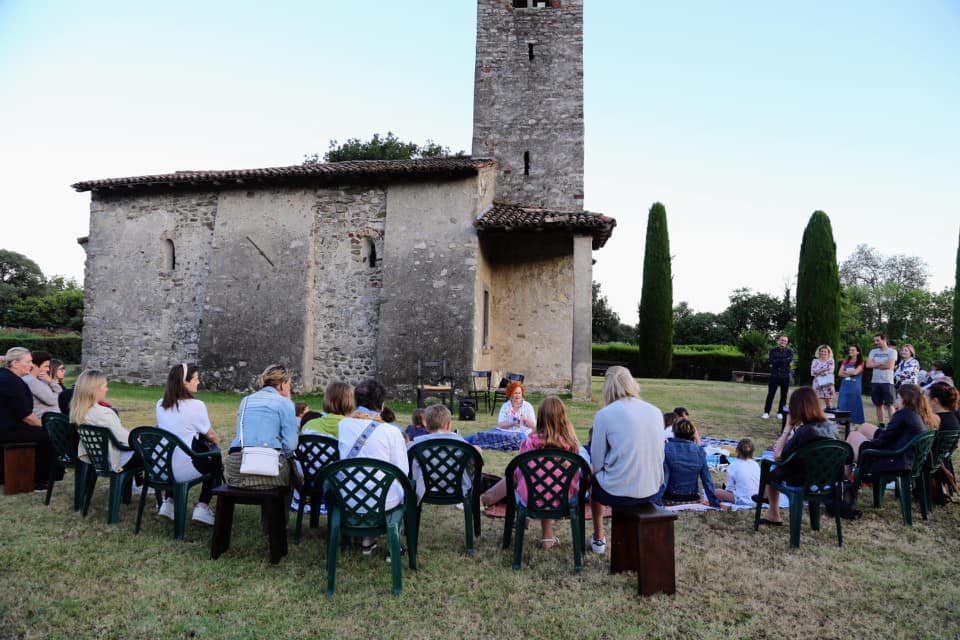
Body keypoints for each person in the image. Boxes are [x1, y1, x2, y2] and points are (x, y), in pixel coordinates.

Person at [588, 366, 664, 555]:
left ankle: (599, 537)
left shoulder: (604, 415)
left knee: (593, 483)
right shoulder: (655, 411)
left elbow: (596, 464)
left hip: (618, 490)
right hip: (652, 486)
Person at [337, 378, 409, 557]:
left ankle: (367, 540)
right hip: (382, 501)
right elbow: (402, 471)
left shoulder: (343, 425)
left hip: (348, 498)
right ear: (382, 405)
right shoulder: (392, 432)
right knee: (396, 486)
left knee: (366, 481)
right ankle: (393, 545)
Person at [759, 387, 838, 525]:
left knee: (771, 473)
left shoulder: (803, 432)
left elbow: (777, 455)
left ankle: (774, 514)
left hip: (802, 483)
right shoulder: (831, 428)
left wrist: (787, 429)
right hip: (827, 483)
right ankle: (814, 523)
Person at [155, 363, 221, 526]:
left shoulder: (160, 404)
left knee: (175, 450)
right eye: (196, 379)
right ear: (184, 382)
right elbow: (210, 434)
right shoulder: (196, 406)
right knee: (216, 461)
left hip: (160, 466)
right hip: (182, 469)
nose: (198, 382)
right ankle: (202, 506)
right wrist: (216, 442)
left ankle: (168, 502)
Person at [224, 364, 299, 490]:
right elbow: (291, 445)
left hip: (236, 470)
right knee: (292, 472)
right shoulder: (285, 403)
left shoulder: (246, 400)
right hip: (268, 471)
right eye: (289, 384)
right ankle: (282, 508)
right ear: (282, 384)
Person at [0, 347, 60, 489]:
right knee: (48, 435)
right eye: (28, 362)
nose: (31, 365)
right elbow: (27, 417)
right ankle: (40, 480)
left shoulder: (4, 376)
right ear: (15, 363)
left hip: (6, 427)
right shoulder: (13, 382)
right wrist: (45, 427)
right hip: (7, 430)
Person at [409, 404, 479, 509]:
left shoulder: (416, 444)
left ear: (426, 426)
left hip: (424, 489)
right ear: (448, 425)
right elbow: (474, 463)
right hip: (458, 488)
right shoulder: (462, 444)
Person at [846, 383, 933, 468]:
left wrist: (867, 442)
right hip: (905, 456)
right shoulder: (920, 415)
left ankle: (845, 476)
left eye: (898, 398)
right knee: (864, 426)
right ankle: (851, 471)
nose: (896, 401)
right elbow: (893, 434)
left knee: (853, 435)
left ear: (905, 400)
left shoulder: (903, 414)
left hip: (893, 460)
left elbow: (882, 442)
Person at [71, 369, 140, 473]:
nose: (107, 389)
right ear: (94, 389)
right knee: (154, 449)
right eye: (105, 386)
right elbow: (127, 441)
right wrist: (138, 437)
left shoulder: (80, 412)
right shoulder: (103, 413)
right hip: (116, 460)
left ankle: (135, 484)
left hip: (97, 458)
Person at [659, 417, 721, 508]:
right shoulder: (700, 451)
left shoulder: (666, 448)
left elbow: (664, 480)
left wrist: (655, 501)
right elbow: (707, 481)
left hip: (670, 498)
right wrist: (714, 503)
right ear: (692, 433)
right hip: (692, 498)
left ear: (674, 432)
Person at [463, 380, 536, 450]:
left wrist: (526, 419)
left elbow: (534, 426)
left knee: (520, 439)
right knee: (484, 435)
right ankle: (459, 440)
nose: (517, 395)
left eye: (519, 393)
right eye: (515, 393)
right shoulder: (505, 406)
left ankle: (485, 443)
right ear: (510, 394)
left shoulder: (527, 406)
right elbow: (500, 424)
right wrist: (513, 423)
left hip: (520, 434)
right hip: (502, 432)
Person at [714, 438, 761, 508]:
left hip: (743, 500)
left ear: (737, 450)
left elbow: (729, 489)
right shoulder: (756, 465)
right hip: (758, 499)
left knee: (714, 492)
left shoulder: (733, 466)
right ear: (753, 452)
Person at [865, 333, 898, 426]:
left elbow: (890, 366)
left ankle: (893, 425)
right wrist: (882, 363)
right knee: (878, 404)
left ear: (884, 340)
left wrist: (875, 364)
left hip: (887, 381)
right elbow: (868, 365)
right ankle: (881, 424)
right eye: (875, 340)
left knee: (890, 404)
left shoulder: (892, 352)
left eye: (877, 340)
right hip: (875, 381)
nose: (876, 342)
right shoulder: (873, 351)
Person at [22, 350, 62, 418]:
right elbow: (52, 400)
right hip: (44, 421)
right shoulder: (30, 381)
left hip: (53, 418)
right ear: (34, 366)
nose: (48, 370)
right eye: (45, 366)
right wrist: (56, 394)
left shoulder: (43, 379)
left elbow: (60, 392)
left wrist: (50, 381)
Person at [762, 335, 794, 420]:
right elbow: (772, 361)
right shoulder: (773, 351)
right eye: (782, 340)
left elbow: (789, 360)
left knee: (784, 396)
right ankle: (766, 412)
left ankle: (780, 412)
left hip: (785, 376)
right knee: (770, 395)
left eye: (785, 341)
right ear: (779, 341)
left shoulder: (790, 351)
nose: (783, 342)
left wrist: (778, 361)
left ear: (787, 343)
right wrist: (783, 360)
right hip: (774, 376)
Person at [836, 345, 866, 425]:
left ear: (858, 352)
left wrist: (845, 373)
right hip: (845, 385)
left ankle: (853, 423)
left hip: (855, 386)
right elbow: (839, 373)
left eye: (853, 350)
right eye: (850, 350)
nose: (850, 352)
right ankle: (841, 422)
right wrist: (850, 373)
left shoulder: (861, 362)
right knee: (842, 403)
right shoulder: (845, 361)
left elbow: (856, 372)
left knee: (854, 403)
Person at [810, 345, 836, 409]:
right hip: (817, 382)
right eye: (821, 351)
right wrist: (824, 369)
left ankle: (829, 413)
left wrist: (819, 371)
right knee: (815, 400)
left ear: (828, 353)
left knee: (828, 401)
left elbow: (830, 371)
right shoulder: (815, 361)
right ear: (819, 352)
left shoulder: (831, 361)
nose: (823, 353)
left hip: (827, 382)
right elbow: (813, 372)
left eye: (825, 351)